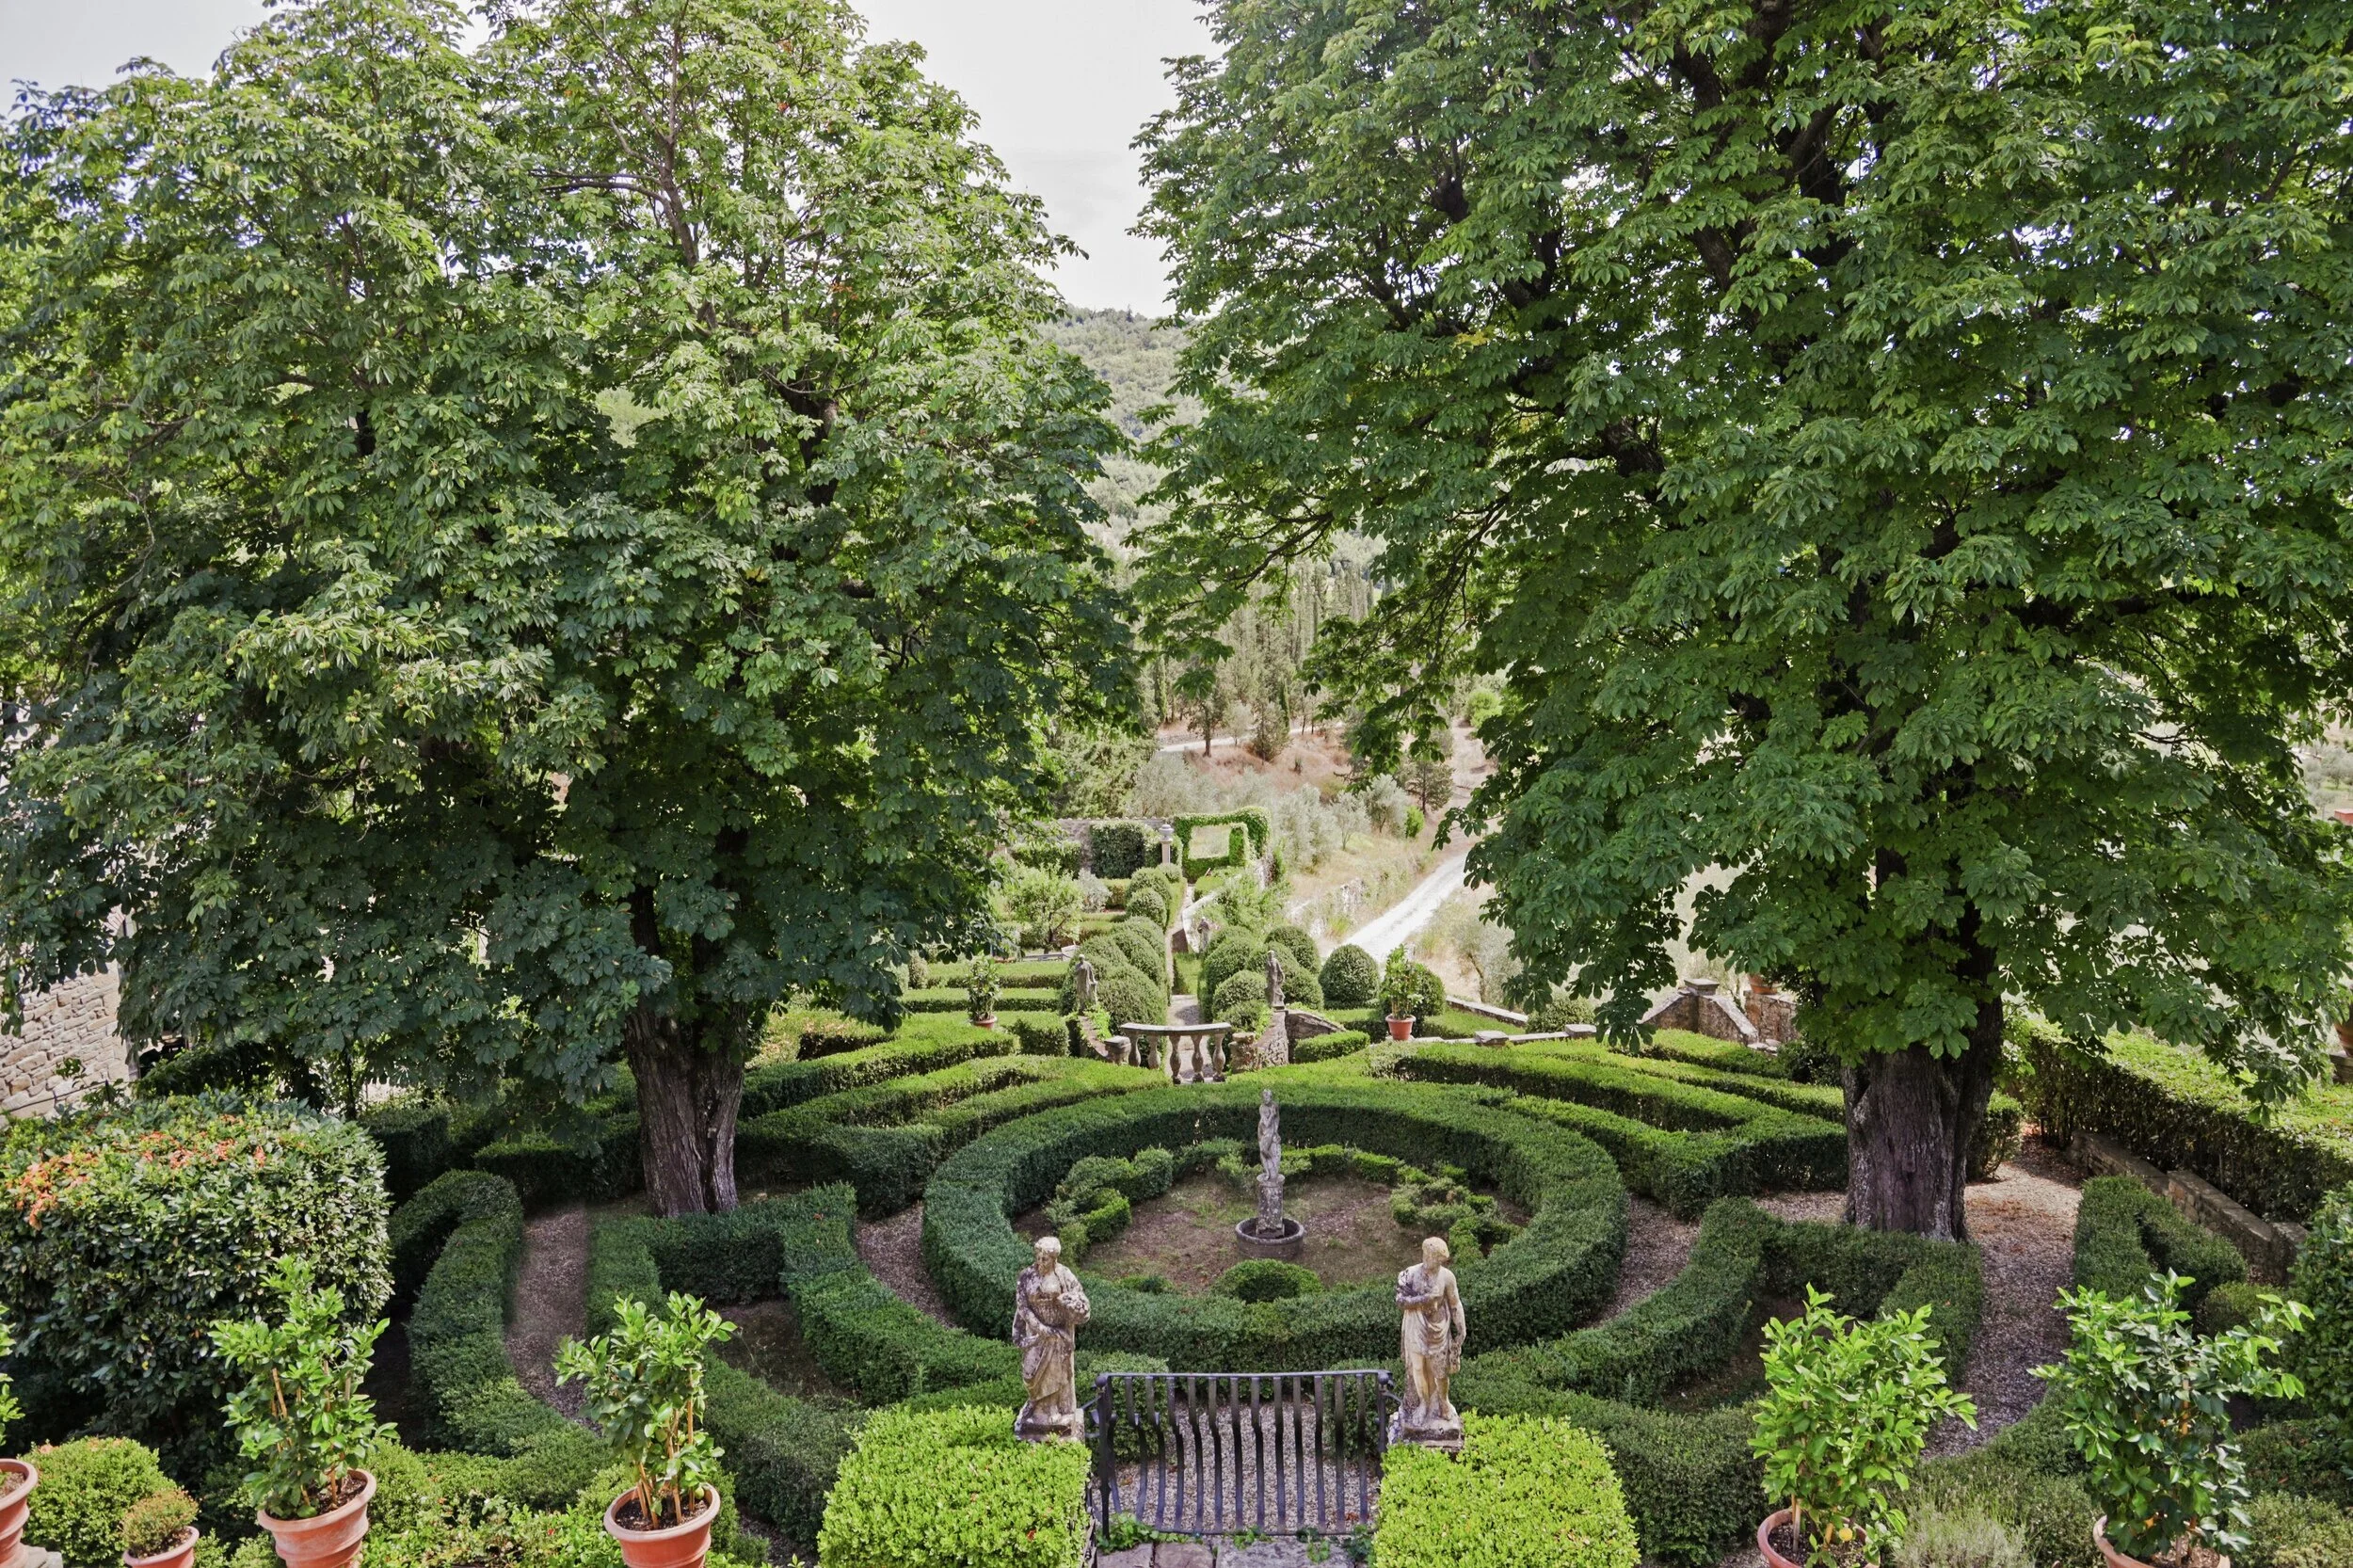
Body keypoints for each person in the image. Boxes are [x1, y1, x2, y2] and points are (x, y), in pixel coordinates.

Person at [1013, 1235, 1091, 1440]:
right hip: (1036, 1336)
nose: (1040, 1262)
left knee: (1057, 1375)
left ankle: (1051, 1414)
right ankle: (1037, 1407)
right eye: (1038, 1257)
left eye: (1045, 1259)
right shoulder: (1027, 1276)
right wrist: (1039, 1328)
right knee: (1030, 1375)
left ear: (1054, 1259)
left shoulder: (1064, 1275)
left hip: (1058, 1338)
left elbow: (1082, 1303)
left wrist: (1073, 1304)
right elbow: (1022, 1306)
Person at [1394, 1235, 1465, 1447]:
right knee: (1418, 1368)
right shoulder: (1410, 1274)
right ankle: (1424, 1403)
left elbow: (1455, 1304)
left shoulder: (1447, 1277)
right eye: (1437, 1259)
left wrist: (1461, 1329)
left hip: (1438, 1328)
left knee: (1440, 1371)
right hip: (1416, 1326)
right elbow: (1400, 1301)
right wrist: (1425, 1299)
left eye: (1441, 1261)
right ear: (1427, 1254)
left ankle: (1442, 1401)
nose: (1439, 1264)